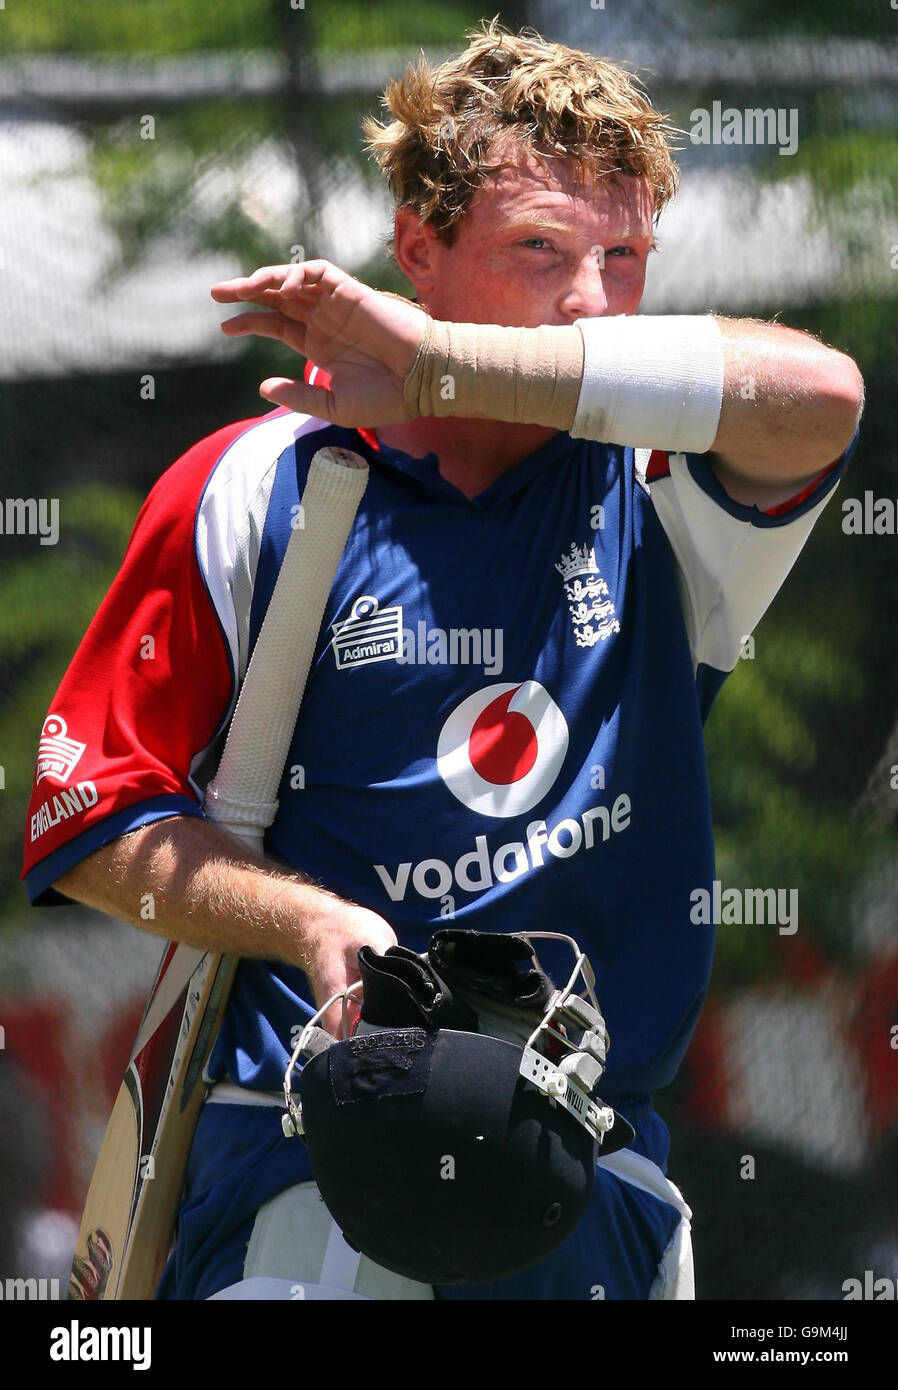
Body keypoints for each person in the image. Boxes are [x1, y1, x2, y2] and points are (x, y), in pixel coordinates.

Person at [22, 21, 863, 1300]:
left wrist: (447, 362)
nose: (591, 299)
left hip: (587, 1165)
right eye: (540, 250)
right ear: (419, 244)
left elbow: (824, 399)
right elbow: (89, 823)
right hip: (295, 1156)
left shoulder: (662, 480)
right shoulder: (252, 488)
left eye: (625, 256)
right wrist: (308, 920)